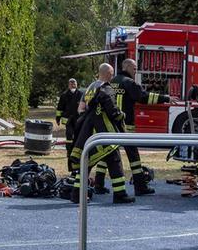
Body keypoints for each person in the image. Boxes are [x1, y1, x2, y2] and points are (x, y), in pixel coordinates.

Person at [66, 63, 135, 204]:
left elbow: (81, 109)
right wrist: (121, 115)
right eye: (112, 74)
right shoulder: (106, 88)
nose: (112, 77)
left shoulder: (91, 87)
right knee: (115, 160)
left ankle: (77, 194)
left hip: (89, 131)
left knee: (86, 162)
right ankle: (120, 194)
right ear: (108, 74)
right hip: (104, 131)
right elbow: (112, 109)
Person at [115, 58, 170, 196]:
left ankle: (98, 184)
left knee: (108, 154)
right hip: (126, 126)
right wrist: (165, 98)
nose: (136, 71)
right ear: (127, 67)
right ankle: (140, 187)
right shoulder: (129, 82)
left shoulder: (112, 81)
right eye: (134, 68)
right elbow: (143, 97)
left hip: (112, 125)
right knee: (134, 157)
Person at [55, 78, 83, 151]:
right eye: (71, 84)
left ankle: (77, 150)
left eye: (74, 84)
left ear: (77, 85)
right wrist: (58, 118)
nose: (73, 85)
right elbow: (60, 107)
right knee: (69, 135)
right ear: (68, 85)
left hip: (78, 119)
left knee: (78, 135)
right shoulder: (64, 95)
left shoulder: (81, 94)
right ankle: (69, 151)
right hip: (68, 119)